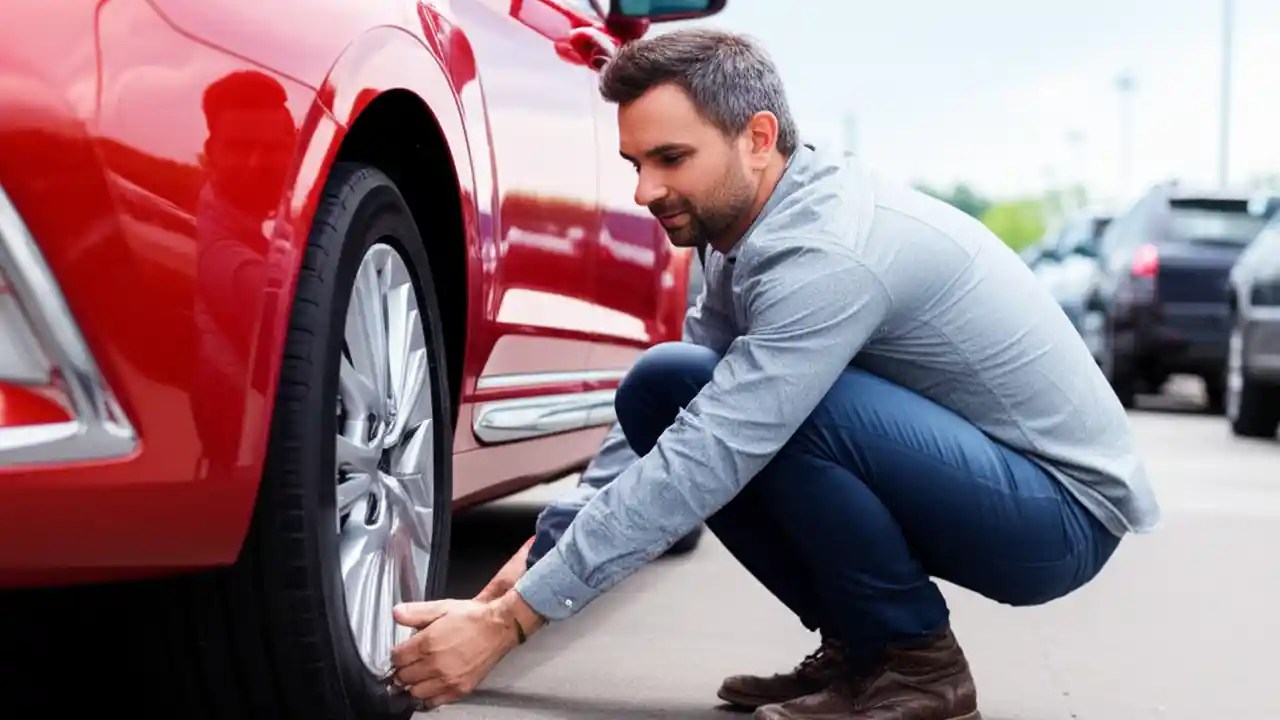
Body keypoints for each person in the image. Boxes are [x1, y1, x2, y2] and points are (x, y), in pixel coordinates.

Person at [386, 28, 1160, 720]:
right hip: (995, 488)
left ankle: (915, 665)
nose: (643, 190)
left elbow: (712, 447)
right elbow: (665, 428)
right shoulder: (744, 228)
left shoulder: (826, 252)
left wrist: (516, 623)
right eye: (635, 163)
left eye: (671, 159)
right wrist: (512, 585)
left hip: (1057, 515)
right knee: (667, 384)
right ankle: (865, 650)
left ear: (758, 138)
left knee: (750, 411)